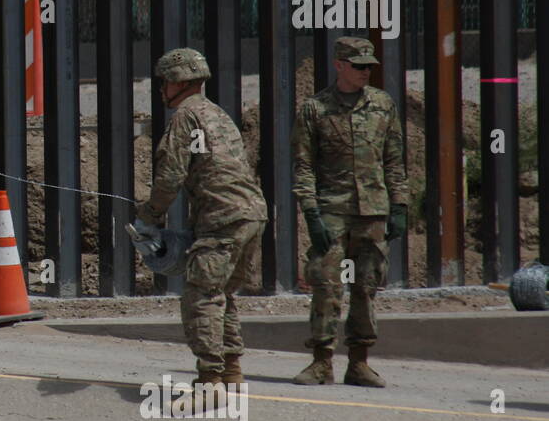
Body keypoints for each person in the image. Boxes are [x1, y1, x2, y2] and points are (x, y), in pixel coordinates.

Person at [135, 48, 268, 391]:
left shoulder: (184, 116)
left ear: (179, 82)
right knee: (221, 294)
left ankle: (210, 380)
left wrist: (148, 216)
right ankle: (232, 374)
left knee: (200, 296)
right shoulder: (218, 115)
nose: (162, 89)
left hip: (222, 218)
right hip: (251, 214)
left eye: (165, 82)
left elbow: (170, 176)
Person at [291, 36, 408, 388]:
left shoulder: (382, 106)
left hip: (373, 212)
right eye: (359, 66)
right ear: (340, 65)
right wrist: (311, 212)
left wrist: (399, 204)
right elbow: (303, 166)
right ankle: (321, 362)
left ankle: (359, 362)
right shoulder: (315, 109)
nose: (365, 72)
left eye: (369, 66)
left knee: (366, 287)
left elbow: (394, 159)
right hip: (332, 210)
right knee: (327, 285)